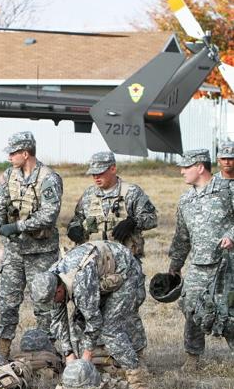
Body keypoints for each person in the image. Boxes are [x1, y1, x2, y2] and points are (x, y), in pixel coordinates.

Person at [67, 151, 157, 360]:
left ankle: (138, 356)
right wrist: (74, 229)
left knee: (128, 312)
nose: (96, 177)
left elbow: (152, 218)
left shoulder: (131, 193)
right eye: (93, 174)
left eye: (100, 172)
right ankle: (102, 356)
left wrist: (133, 221)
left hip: (126, 266)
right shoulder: (89, 195)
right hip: (97, 266)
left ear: (113, 169)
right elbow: (76, 219)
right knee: (94, 309)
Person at [30, 240, 149, 389]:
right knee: (78, 321)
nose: (53, 304)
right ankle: (104, 366)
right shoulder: (51, 279)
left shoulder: (80, 284)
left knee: (109, 329)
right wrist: (68, 354)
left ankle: (137, 378)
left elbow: (94, 321)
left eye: (53, 300)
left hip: (126, 273)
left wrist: (87, 356)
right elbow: (59, 320)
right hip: (100, 276)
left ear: (59, 291)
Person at [0, 131, 63, 359]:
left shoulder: (49, 178)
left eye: (13, 153)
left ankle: (44, 354)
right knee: (7, 302)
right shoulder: (8, 176)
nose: (9, 157)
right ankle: (3, 352)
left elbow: (49, 215)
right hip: (14, 252)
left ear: (25, 153)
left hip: (41, 252)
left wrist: (18, 227)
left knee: (44, 303)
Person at [168, 149, 234, 370]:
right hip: (198, 265)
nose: (181, 172)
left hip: (226, 264)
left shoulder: (226, 190)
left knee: (229, 308)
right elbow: (181, 237)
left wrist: (231, 236)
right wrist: (175, 266)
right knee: (191, 307)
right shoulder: (186, 200)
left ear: (200, 167)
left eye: (186, 167)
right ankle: (193, 357)